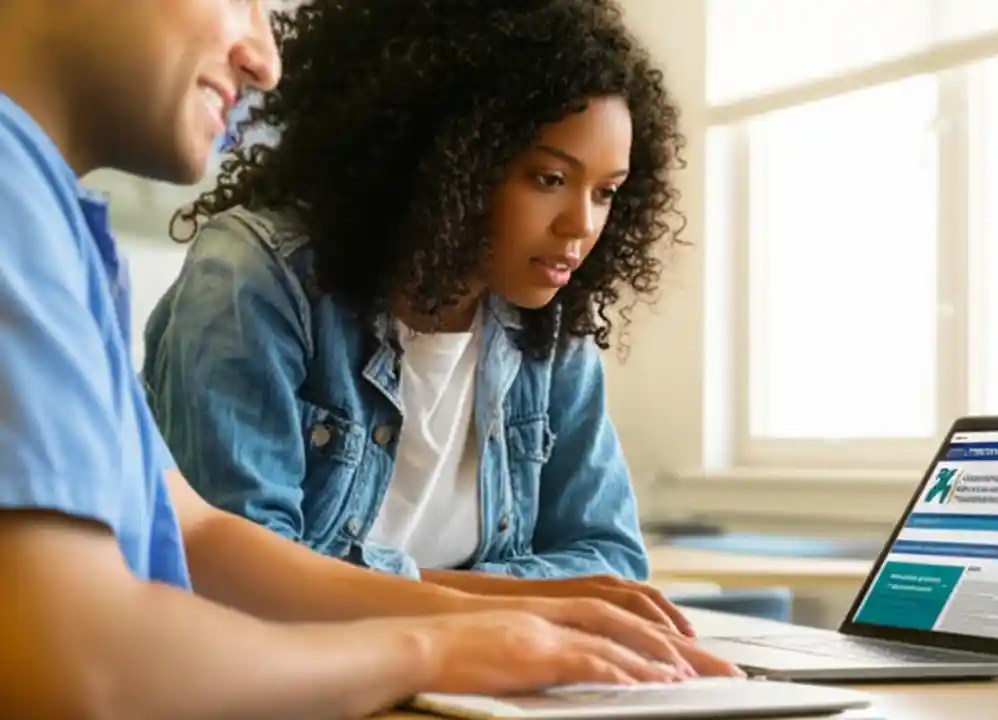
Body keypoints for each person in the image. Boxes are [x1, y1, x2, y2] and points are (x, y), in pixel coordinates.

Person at [0, 2, 738, 717]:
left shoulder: (53, 214)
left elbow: (200, 534)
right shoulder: (18, 195)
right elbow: (86, 666)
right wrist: (438, 643)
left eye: (607, 192)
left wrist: (514, 620)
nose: (265, 59)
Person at [142, 0, 687, 606]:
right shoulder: (256, 279)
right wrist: (503, 605)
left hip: (480, 688)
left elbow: (611, 560)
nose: (580, 226)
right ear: (451, 156)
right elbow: (240, 576)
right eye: (549, 179)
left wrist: (448, 605)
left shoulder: (548, 330)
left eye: (607, 192)